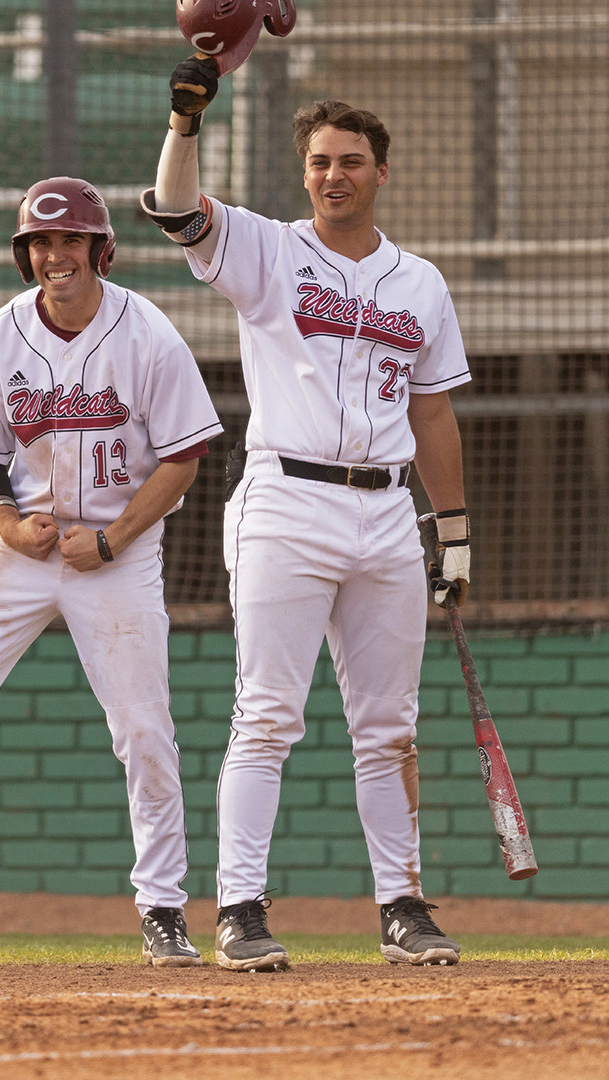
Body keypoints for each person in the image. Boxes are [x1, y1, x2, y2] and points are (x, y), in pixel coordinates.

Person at [142, 53, 472, 971]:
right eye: (320, 161)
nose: (334, 175)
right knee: (266, 716)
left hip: (388, 513)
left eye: (351, 161)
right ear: (305, 172)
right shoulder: (270, 250)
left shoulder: (420, 282)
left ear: (381, 173)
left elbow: (433, 412)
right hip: (286, 501)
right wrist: (185, 123)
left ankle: (402, 905)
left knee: (390, 726)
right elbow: (176, 211)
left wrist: (453, 531)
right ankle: (239, 909)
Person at [0, 177, 223, 967]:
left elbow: (185, 458)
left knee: (144, 732)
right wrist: (7, 524)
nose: (56, 255)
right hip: (25, 551)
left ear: (100, 249)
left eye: (71, 241)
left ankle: (163, 907)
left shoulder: (148, 334)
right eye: (41, 243)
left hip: (119, 554)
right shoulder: (0, 337)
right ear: (24, 255)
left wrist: (116, 539)